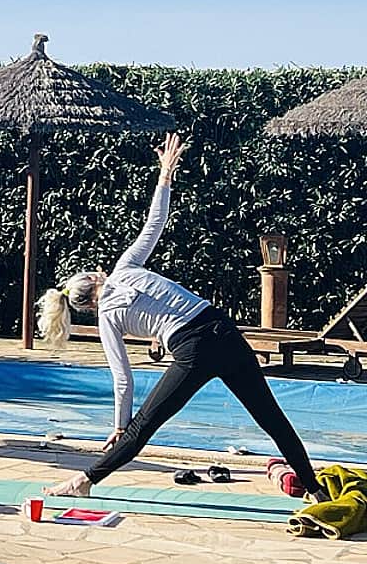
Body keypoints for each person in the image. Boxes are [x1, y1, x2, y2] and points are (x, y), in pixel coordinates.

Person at [37, 134, 325, 499]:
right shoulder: (125, 266)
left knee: (144, 425)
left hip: (193, 349)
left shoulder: (107, 317)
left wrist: (120, 425)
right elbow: (154, 223)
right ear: (96, 277)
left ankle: (83, 482)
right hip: (222, 329)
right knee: (271, 418)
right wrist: (165, 174)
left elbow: (123, 379)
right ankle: (315, 489)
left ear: (86, 305)